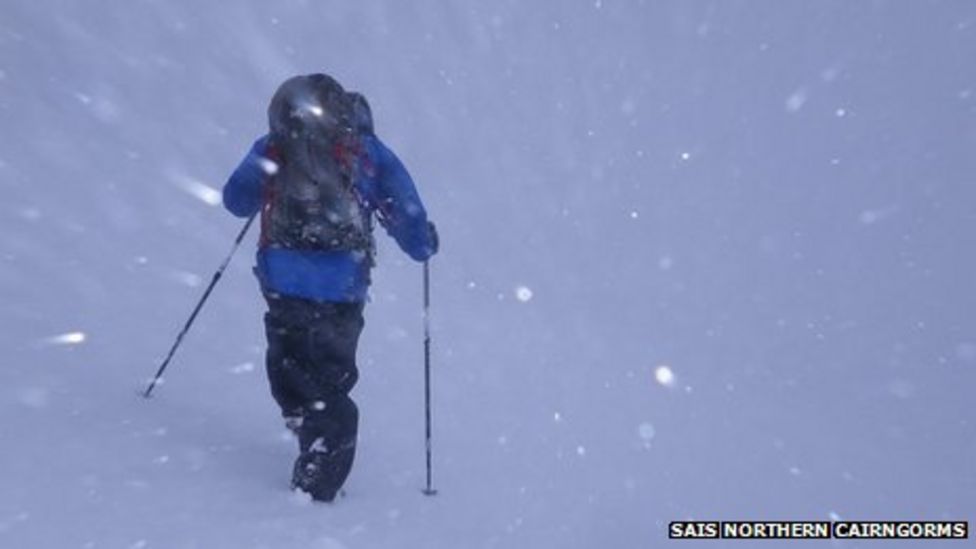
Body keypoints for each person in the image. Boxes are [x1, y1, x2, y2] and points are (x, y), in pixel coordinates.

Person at [222, 73, 438, 502]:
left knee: (288, 359)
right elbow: (405, 214)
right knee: (330, 370)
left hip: (282, 278)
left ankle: (304, 416)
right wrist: (423, 243)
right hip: (341, 285)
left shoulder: (275, 145)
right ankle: (321, 458)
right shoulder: (367, 153)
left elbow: (235, 201)